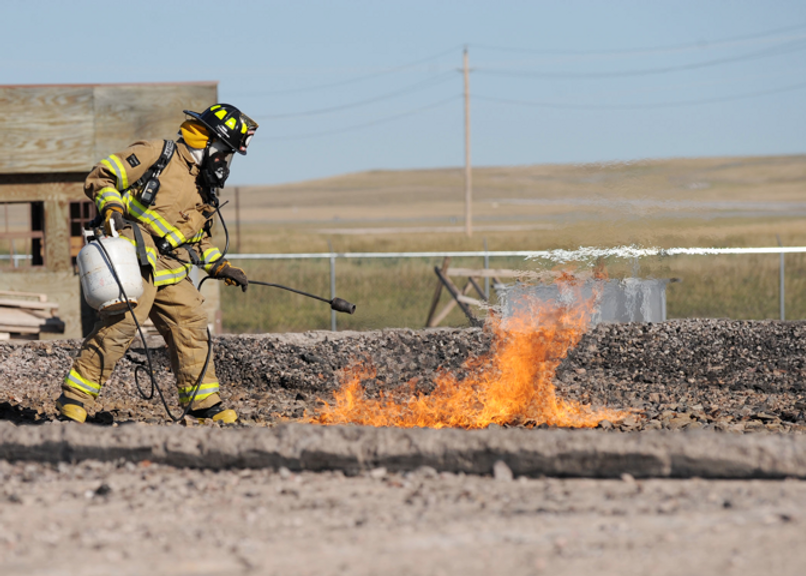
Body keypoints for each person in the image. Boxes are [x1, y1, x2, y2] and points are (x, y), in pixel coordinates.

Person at [56, 103, 258, 424]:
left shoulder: (204, 188)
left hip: (171, 268)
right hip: (133, 257)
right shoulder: (157, 155)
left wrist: (220, 266)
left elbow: (198, 241)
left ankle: (202, 402)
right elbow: (102, 175)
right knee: (121, 326)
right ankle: (75, 398)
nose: (224, 161)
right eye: (224, 151)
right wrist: (111, 208)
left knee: (191, 324)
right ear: (206, 141)